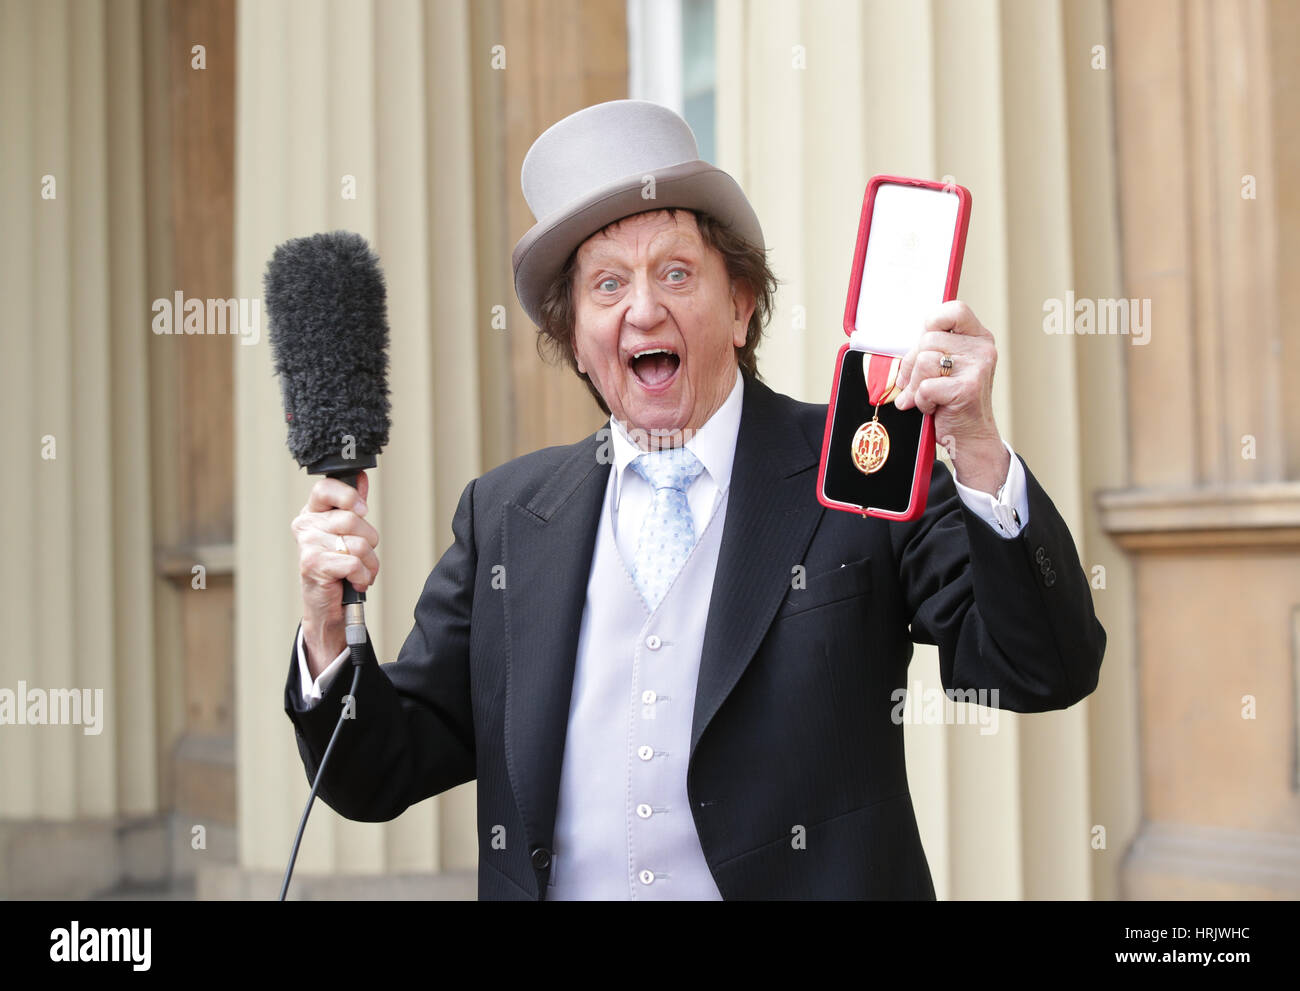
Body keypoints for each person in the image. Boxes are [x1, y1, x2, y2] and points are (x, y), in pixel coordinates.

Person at [284, 100, 1105, 900]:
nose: (644, 307)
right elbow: (378, 768)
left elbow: (1038, 668)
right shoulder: (504, 514)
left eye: (675, 272)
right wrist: (328, 631)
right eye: (606, 286)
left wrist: (977, 448)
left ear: (742, 306)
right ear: (576, 337)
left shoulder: (862, 464)